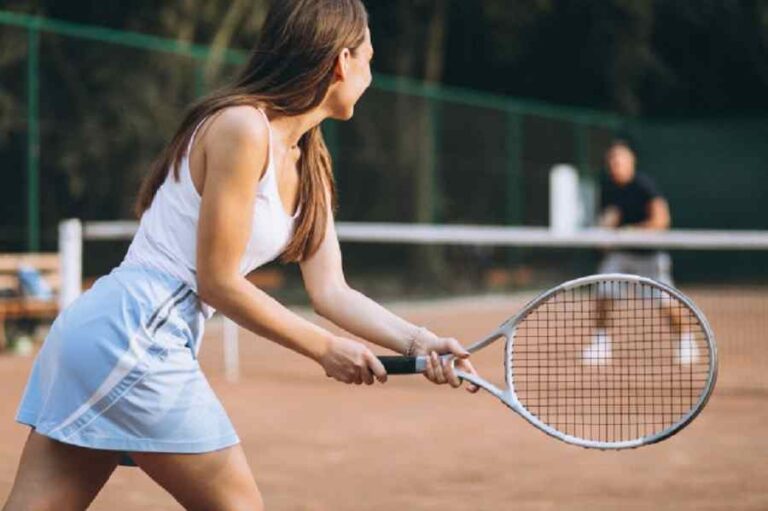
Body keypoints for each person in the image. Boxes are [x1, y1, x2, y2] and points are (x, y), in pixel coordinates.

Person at [2, 2, 478, 510]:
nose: (371, 75)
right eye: (369, 59)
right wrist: (325, 349)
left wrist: (421, 344)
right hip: (134, 334)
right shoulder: (242, 128)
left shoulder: (310, 161)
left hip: (115, 335)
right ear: (342, 60)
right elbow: (218, 282)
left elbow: (332, 290)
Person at [583, 138, 697, 365]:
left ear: (631, 161)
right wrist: (606, 234)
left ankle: (686, 341)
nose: (615, 164)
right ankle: (600, 343)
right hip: (620, 254)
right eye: (611, 160)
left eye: (619, 159)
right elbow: (610, 218)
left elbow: (662, 220)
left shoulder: (644, 185)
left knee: (665, 301)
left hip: (649, 256)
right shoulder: (608, 188)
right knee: (603, 294)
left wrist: (631, 231)